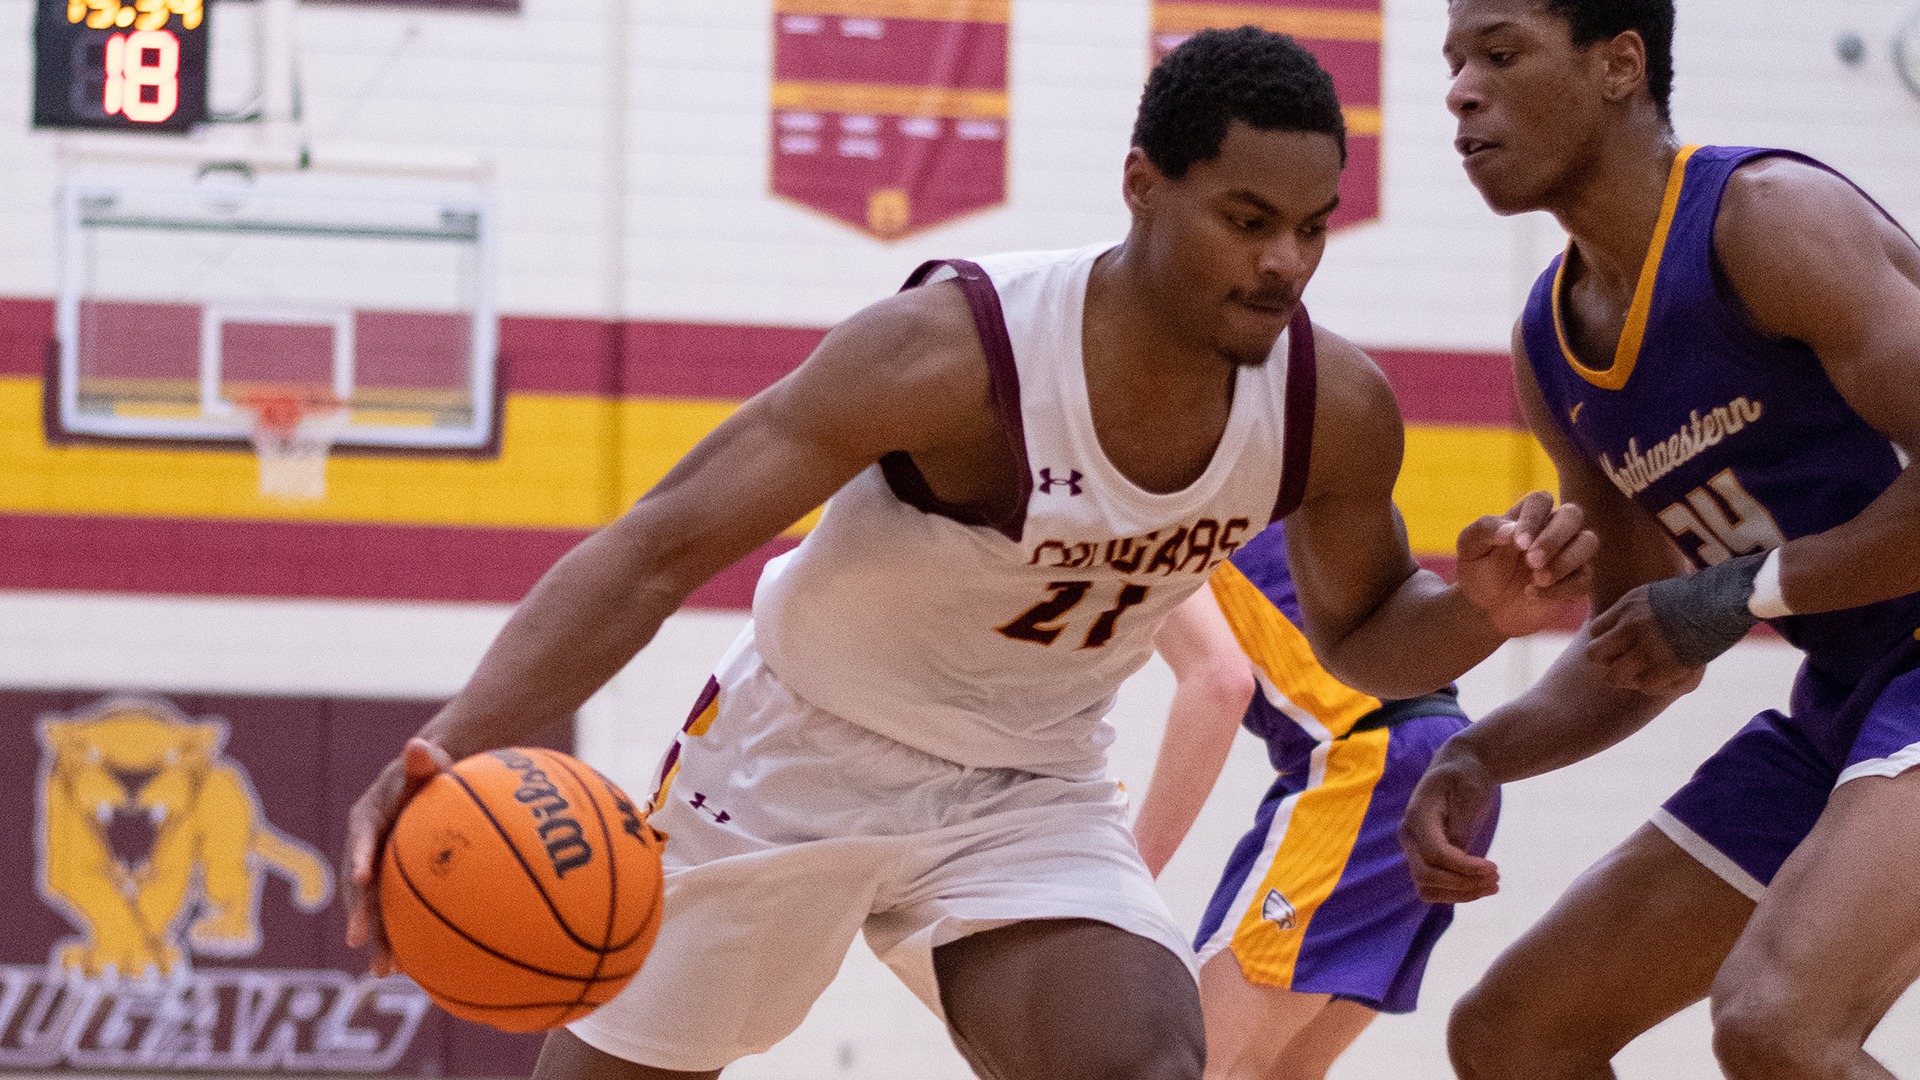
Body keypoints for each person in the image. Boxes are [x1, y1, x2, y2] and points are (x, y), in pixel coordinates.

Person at [345, 27, 1595, 1080]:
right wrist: (453, 738)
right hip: (798, 757)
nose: (1283, 262)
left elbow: (1369, 637)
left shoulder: (1333, 405)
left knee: (1152, 1064)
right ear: (1142, 185)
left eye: (1312, 229)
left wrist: (1482, 609)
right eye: (1247, 218)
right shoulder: (954, 352)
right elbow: (654, 551)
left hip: (1027, 788)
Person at [1402, 1, 1920, 1077]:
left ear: (1619, 65)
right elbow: (1642, 656)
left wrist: (1746, 591)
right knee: (1514, 1035)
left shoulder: (1765, 221)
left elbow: (1716, 605)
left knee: (1778, 1021)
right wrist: (1474, 755)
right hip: (1854, 696)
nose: (1460, 89)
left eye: (1498, 54)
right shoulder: (1550, 344)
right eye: (1453, 62)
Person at [1137, 521, 1495, 1080]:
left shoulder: (1155, 514)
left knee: (1196, 1064)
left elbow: (1220, 679)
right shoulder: (1290, 478)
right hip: (1451, 756)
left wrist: (1130, 871)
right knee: (1285, 1070)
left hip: (1373, 762)